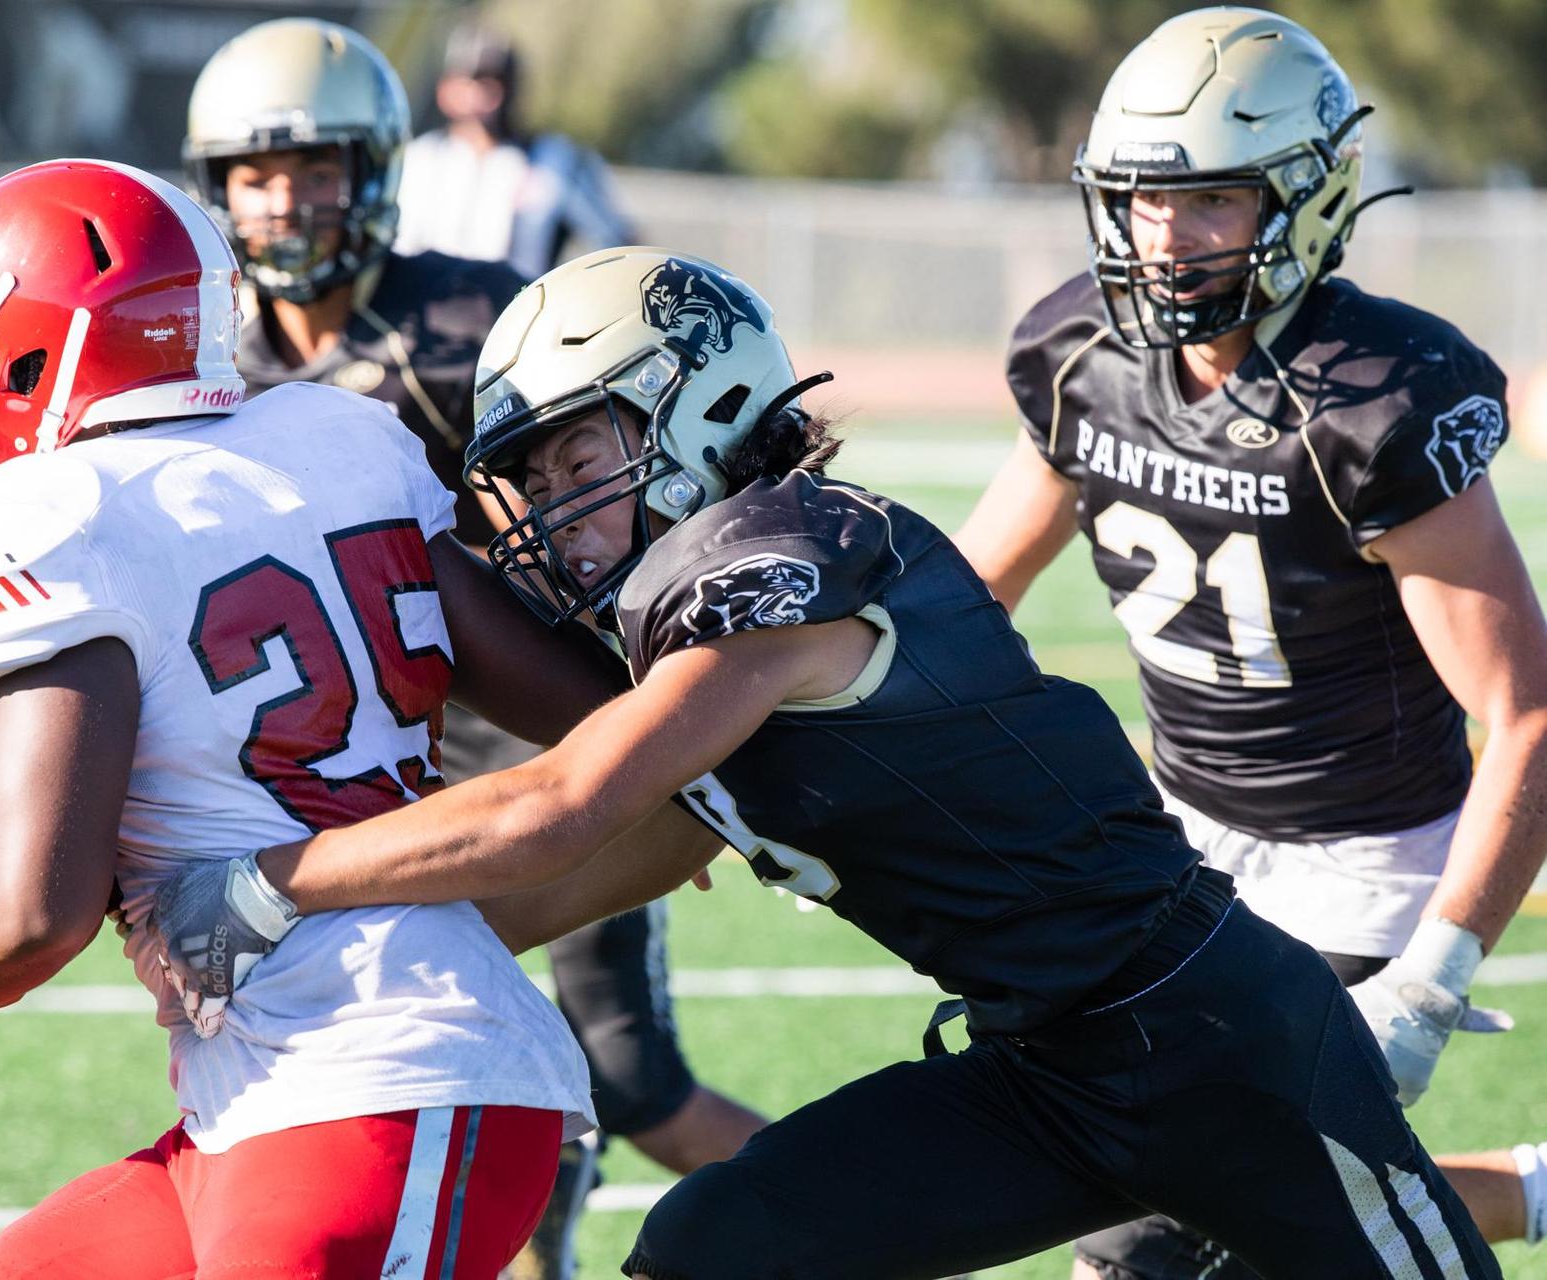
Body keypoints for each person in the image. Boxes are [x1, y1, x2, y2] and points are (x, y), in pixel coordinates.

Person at [147, 245, 1500, 1278]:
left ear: (697, 408)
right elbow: (642, 848)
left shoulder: (789, 562)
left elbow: (565, 803)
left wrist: (279, 880)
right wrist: (337, 961)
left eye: (575, 454)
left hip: (1223, 1043)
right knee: (713, 1250)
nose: (552, 505)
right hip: (1047, 1069)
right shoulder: (718, 610)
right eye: (535, 472)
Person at [0, 157, 629, 1277]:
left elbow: (32, 911)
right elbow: (586, 705)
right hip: (258, 1100)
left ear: (37, 350)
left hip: (383, 1079)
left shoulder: (51, 520)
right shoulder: (335, 439)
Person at [948, 8, 1547, 1274]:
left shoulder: (1376, 397)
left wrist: (1431, 980)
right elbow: (962, 595)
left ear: (1309, 194)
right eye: (1140, 201)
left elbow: (1528, 712)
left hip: (1364, 855)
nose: (1167, 238)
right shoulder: (1080, 356)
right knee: (1192, 1192)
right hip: (1178, 839)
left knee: (1147, 1244)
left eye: (1210, 200)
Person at [179, 20, 767, 1276]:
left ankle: (867, 1228)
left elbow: (617, 514)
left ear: (375, 171)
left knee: (635, 1077)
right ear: (214, 188)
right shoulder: (207, 356)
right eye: (258, 175)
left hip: (541, 728)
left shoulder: (466, 316)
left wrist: (657, 734)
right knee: (362, 1047)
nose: (288, 202)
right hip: (371, 762)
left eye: (318, 170)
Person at [392, 21, 632, 282]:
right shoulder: (418, 159)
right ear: (446, 89)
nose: (485, 95)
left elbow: (620, 247)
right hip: (424, 312)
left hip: (522, 312)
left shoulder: (555, 160)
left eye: (498, 81)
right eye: (473, 79)